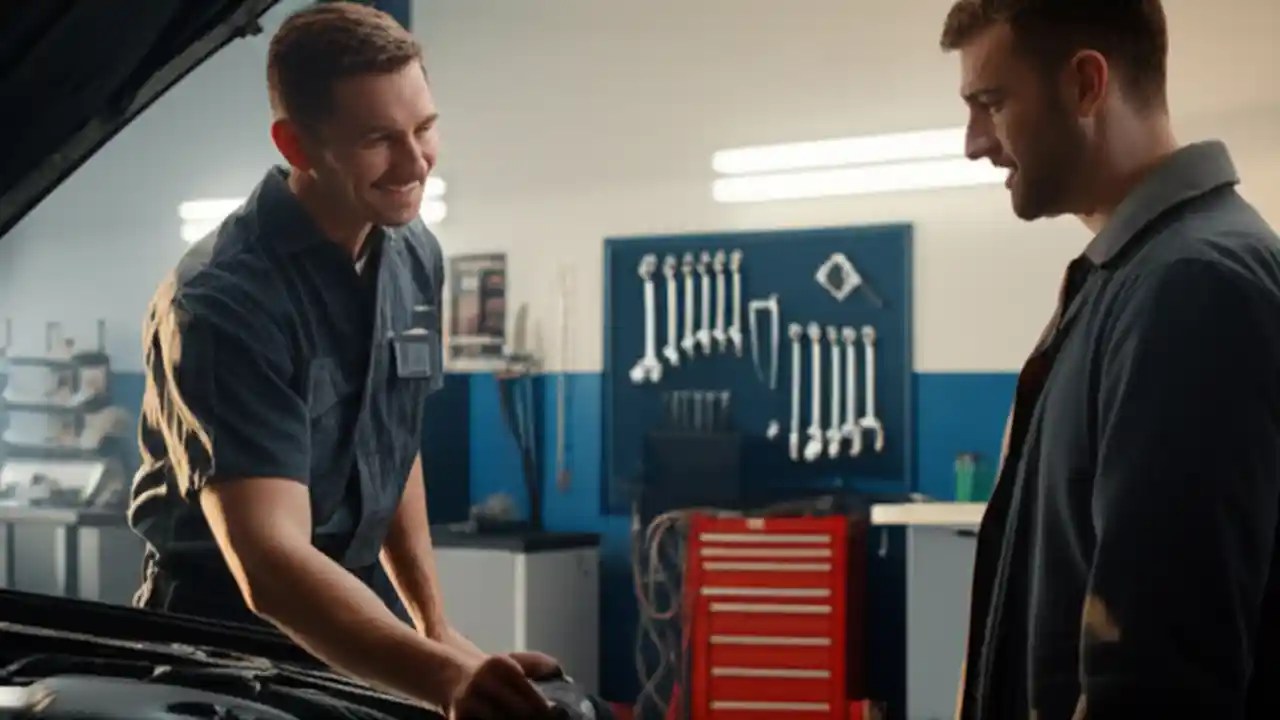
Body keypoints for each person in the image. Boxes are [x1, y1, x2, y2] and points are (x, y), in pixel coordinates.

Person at [127, 4, 559, 717]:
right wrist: (446, 678)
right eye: (378, 140)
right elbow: (270, 564)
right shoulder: (223, 301)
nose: (416, 162)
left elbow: (393, 441)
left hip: (360, 610)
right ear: (297, 145)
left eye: (424, 128)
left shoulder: (414, 252)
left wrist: (436, 631)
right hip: (222, 637)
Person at [939, 1, 1280, 718]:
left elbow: (1159, 676)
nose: (974, 143)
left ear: (1087, 85)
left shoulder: (1192, 286)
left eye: (991, 103)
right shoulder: (1130, 278)